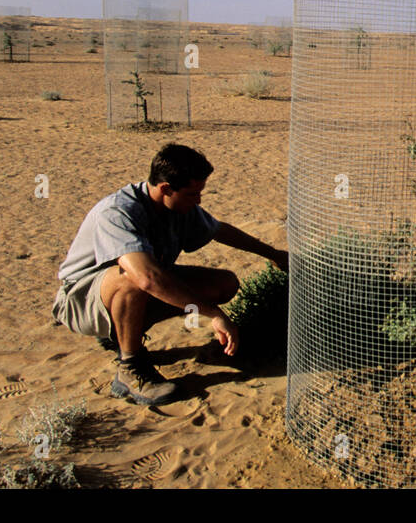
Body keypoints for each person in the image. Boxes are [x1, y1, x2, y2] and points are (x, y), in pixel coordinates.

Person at [51, 143, 287, 405]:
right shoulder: (118, 212)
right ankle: (130, 368)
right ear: (165, 188)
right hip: (81, 302)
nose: (198, 201)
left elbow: (219, 230)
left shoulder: (177, 207)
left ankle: (123, 332)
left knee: (223, 284)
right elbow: (146, 279)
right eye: (192, 194)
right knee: (135, 279)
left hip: (131, 290)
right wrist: (214, 314)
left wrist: (274, 254)